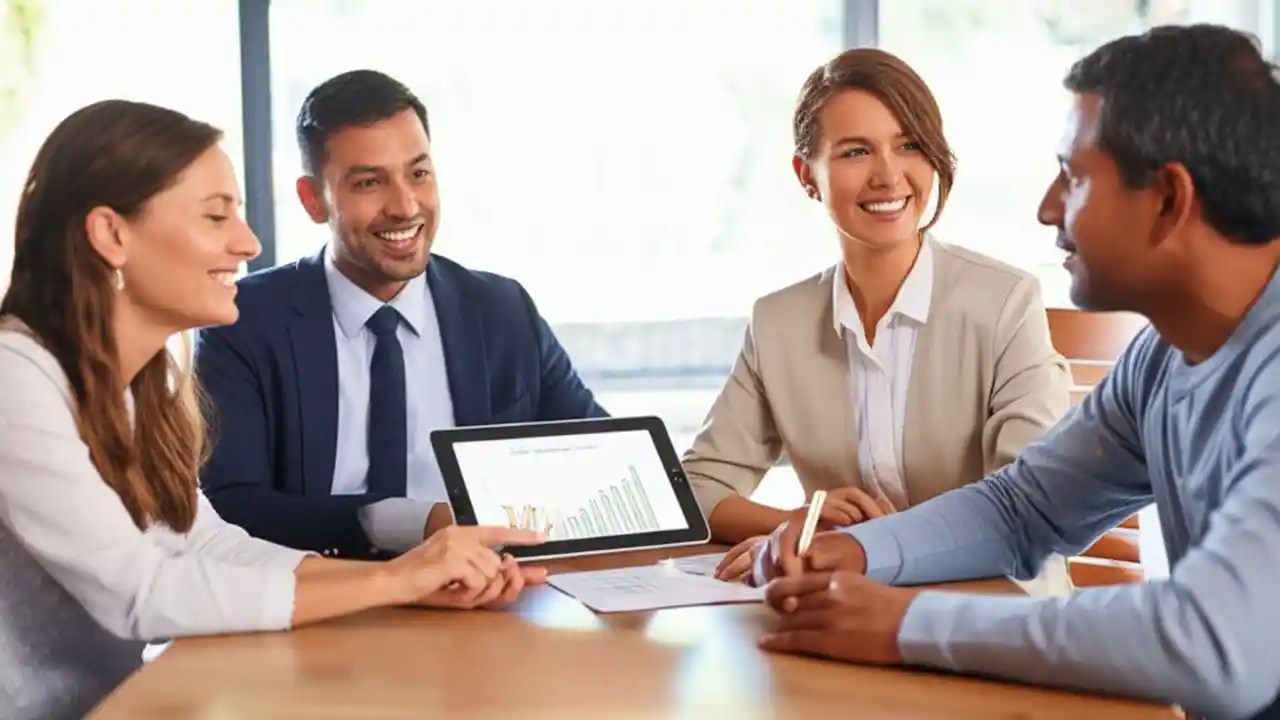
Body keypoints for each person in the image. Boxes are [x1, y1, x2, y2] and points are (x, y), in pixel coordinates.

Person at [754, 24, 1280, 720]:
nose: (1047, 209)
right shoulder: (1161, 359)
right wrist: (851, 551)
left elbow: (1215, 649)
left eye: (1075, 176)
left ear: (1168, 199)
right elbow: (1024, 507)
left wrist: (906, 626)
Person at [0, 99, 550, 720]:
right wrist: (396, 582)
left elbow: (208, 545)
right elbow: (139, 592)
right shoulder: (14, 376)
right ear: (111, 235)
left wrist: (420, 581)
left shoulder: (133, 385)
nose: (248, 242)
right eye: (216, 216)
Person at [681, 47, 1072, 587]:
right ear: (806, 174)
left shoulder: (1006, 303)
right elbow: (697, 486)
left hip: (993, 606)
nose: (888, 176)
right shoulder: (778, 322)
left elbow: (1026, 505)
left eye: (909, 145)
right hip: (846, 607)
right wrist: (799, 528)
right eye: (855, 152)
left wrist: (862, 547)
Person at [194, 70, 606, 560]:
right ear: (313, 200)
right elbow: (233, 506)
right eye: (370, 182)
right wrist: (423, 523)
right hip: (321, 598)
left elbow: (600, 466)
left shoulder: (501, 309)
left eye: (418, 173)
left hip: (486, 597)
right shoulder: (245, 320)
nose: (405, 206)